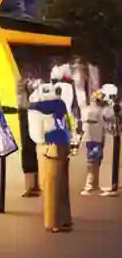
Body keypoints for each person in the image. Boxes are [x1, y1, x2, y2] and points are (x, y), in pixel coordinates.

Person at [31, 83, 73, 232]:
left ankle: (53, 221)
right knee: (62, 186)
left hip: (48, 147)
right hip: (63, 145)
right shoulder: (61, 105)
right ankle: (65, 218)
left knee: (50, 187)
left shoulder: (36, 109)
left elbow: (36, 134)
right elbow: (68, 124)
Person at [82, 91, 109, 195]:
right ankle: (89, 185)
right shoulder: (99, 110)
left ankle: (94, 184)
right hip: (94, 138)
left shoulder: (89, 109)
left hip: (93, 138)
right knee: (93, 160)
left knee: (95, 160)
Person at [17, 79, 41, 198]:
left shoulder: (22, 79)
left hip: (27, 113)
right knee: (30, 150)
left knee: (27, 150)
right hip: (29, 112)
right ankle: (33, 184)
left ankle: (31, 186)